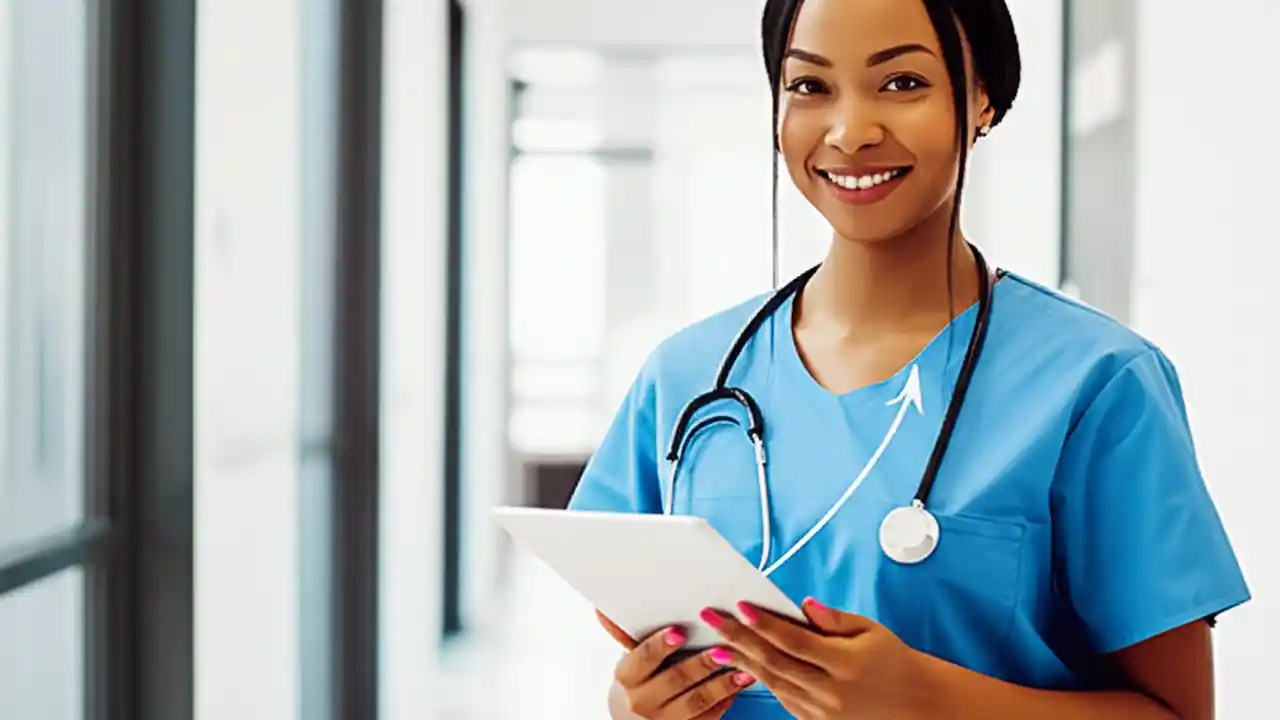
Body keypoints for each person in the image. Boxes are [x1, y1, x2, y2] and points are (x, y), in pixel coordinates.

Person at [567, 0, 1250, 717]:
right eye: (809, 87)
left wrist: (926, 699)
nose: (851, 131)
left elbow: (1178, 714)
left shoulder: (1098, 383)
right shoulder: (685, 377)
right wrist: (638, 706)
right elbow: (642, 663)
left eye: (901, 83)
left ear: (983, 97)